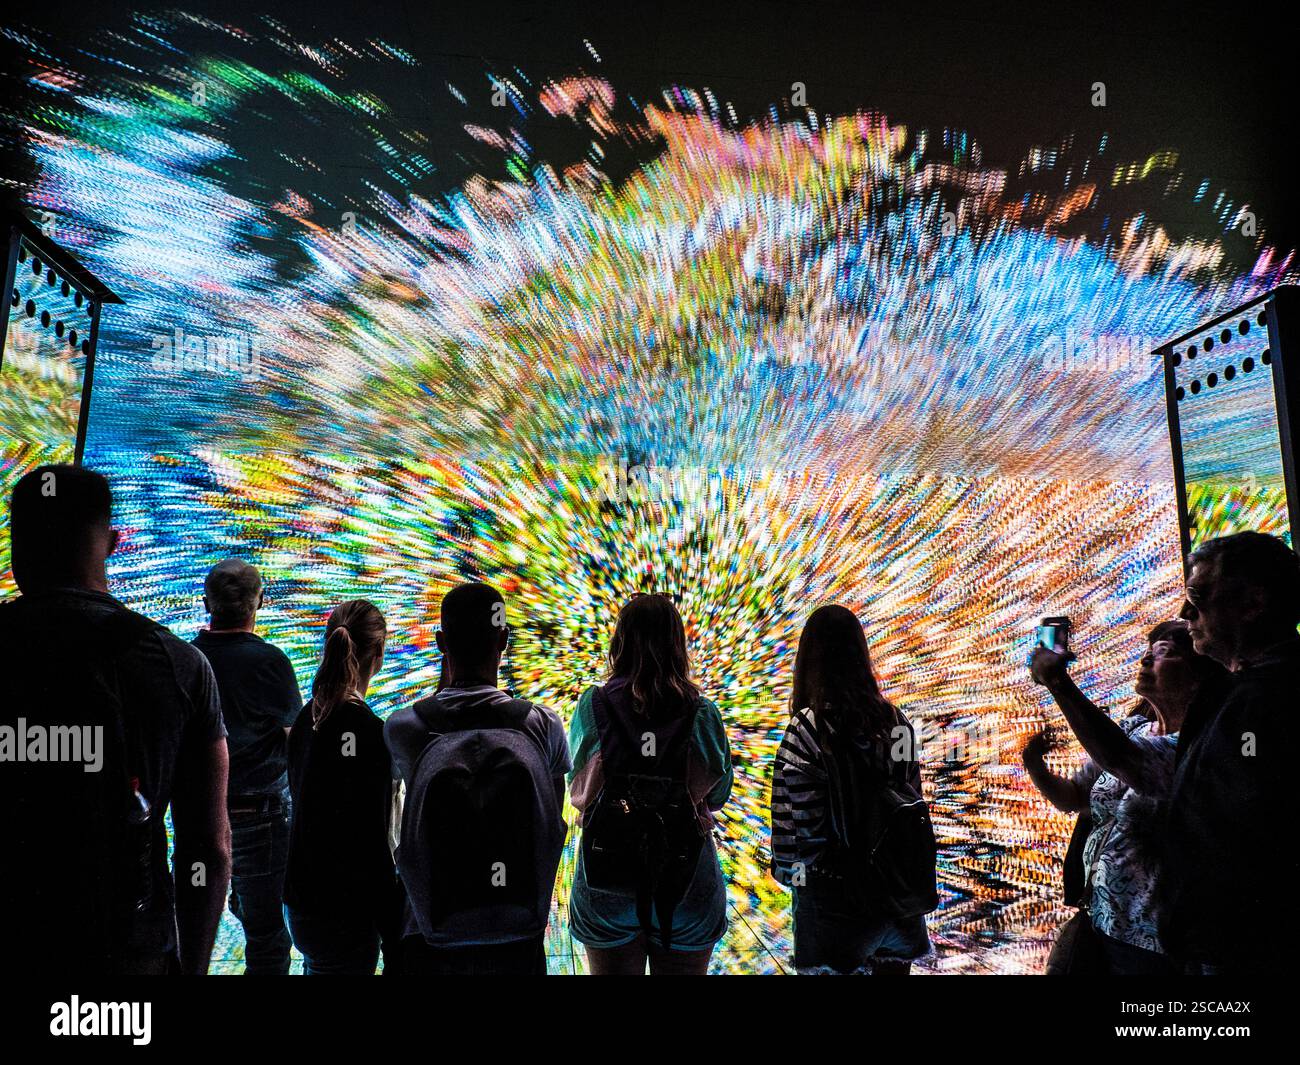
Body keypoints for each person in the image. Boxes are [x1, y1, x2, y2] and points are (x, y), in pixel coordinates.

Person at [0, 465, 231, 975]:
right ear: (114, 541)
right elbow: (206, 854)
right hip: (129, 957)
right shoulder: (179, 666)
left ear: (15, 547)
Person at [385, 582, 570, 975]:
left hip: (431, 931)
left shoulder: (403, 728)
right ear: (503, 639)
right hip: (519, 931)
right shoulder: (544, 726)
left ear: (440, 642)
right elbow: (553, 823)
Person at [1027, 620, 1231, 974]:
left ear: (1199, 673)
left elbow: (1125, 760)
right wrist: (1035, 765)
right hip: (1100, 919)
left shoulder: (1196, 745)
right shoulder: (1133, 728)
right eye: (1147, 652)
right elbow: (1074, 797)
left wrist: (1059, 683)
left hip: (1152, 938)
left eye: (1163, 653)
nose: (1145, 661)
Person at [569, 592, 733, 975]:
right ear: (678, 645)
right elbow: (720, 794)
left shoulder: (592, 705)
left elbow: (579, 792)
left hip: (606, 878)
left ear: (619, 644)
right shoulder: (701, 711)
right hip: (686, 881)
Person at [770, 604, 933, 975]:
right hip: (897, 903)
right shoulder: (898, 723)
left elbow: (798, 840)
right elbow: (913, 802)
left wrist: (786, 874)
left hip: (834, 912)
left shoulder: (806, 732)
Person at [1163, 531, 1300, 975]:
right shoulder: (1238, 689)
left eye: (1198, 597)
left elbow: (1249, 817)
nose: (1186, 614)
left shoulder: (1267, 700)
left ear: (1253, 604)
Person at [193, 559, 302, 975]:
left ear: (206, 603)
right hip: (261, 821)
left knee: (193, 928)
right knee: (268, 937)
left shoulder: (189, 659)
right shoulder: (270, 662)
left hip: (199, 819)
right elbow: (297, 740)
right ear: (260, 601)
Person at [284, 599, 400, 974]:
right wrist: (393, 925)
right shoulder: (369, 730)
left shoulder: (307, 719)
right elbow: (372, 840)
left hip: (302, 902)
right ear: (379, 651)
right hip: (346, 909)